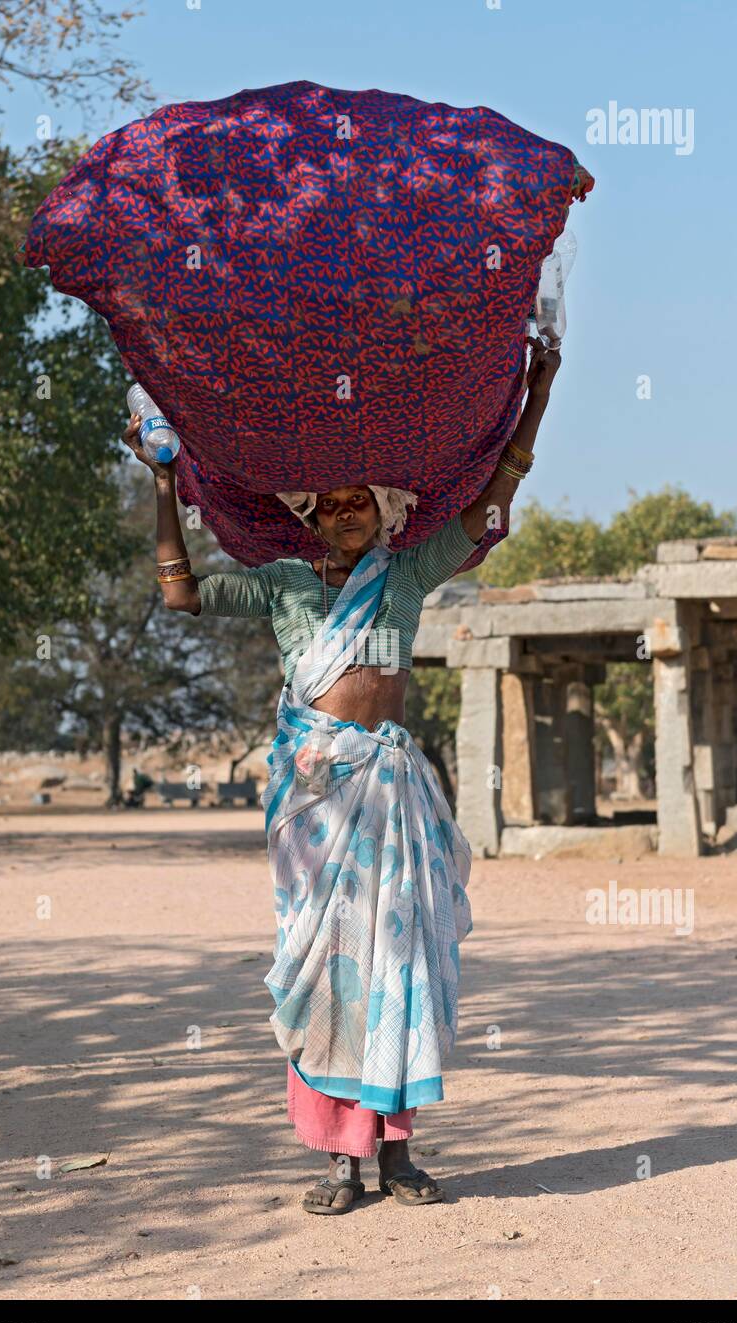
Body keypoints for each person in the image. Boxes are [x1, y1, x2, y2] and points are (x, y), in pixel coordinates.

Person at [123, 339, 562, 1214]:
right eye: (331, 505)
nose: (346, 514)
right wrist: (162, 481)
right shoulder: (282, 585)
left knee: (397, 965)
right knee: (327, 968)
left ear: (383, 513)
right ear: (312, 518)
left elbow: (492, 503)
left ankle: (396, 1156)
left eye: (359, 502)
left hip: (389, 792)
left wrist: (535, 391)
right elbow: (179, 595)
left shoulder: (406, 574)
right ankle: (339, 1161)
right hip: (315, 802)